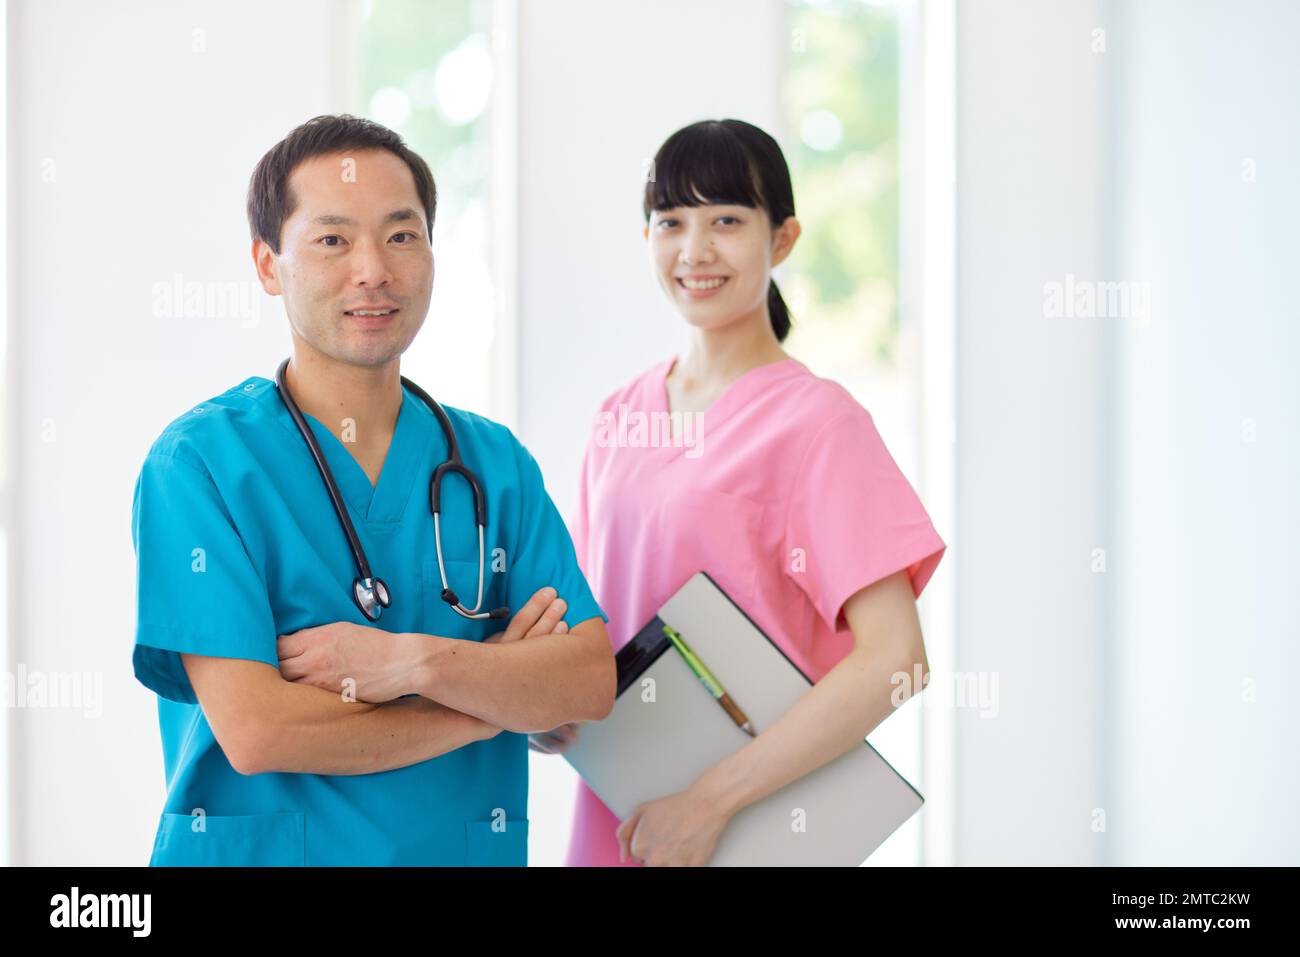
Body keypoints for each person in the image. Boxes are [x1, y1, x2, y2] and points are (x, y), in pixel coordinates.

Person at [130, 114, 614, 866]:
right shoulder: (198, 465)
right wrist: (489, 707)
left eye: (401, 234)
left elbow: (585, 679)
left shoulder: (493, 464)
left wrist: (413, 663)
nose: (373, 270)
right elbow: (260, 730)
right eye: (332, 239)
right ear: (267, 264)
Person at [530, 119, 946, 867]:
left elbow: (897, 659)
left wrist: (712, 800)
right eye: (671, 222)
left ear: (781, 239)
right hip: (621, 810)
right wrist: (545, 703)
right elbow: (593, 628)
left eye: (726, 220)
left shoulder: (819, 424)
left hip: (751, 822)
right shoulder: (618, 417)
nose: (695, 250)